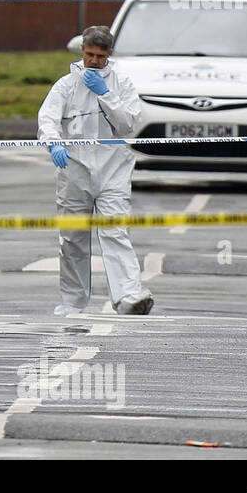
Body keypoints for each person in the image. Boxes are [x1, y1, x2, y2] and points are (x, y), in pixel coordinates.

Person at [37, 25, 154, 316]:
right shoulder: (66, 86)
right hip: (74, 169)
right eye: (89, 54)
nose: (94, 61)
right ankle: (73, 303)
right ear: (82, 51)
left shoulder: (122, 84)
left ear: (109, 54)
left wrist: (107, 95)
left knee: (115, 231)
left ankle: (129, 296)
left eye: (100, 56)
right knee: (73, 238)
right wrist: (54, 145)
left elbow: (129, 125)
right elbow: (47, 120)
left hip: (113, 168)